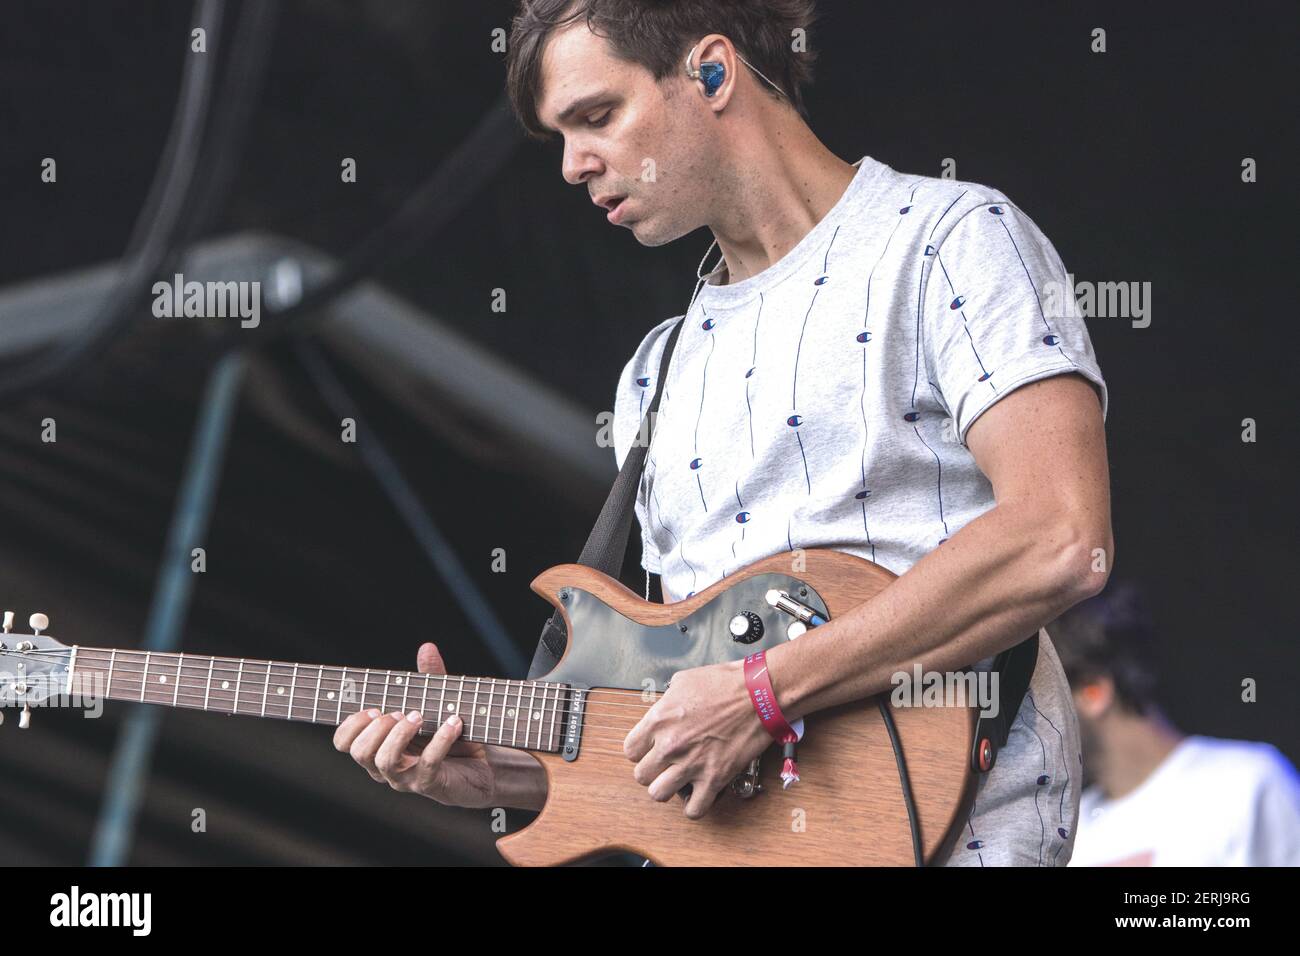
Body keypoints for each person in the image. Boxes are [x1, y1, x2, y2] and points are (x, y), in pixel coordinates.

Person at [334, 0, 1113, 866]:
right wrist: (503, 776)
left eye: (596, 117)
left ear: (711, 71)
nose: (572, 165)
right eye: (558, 136)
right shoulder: (653, 373)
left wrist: (763, 691)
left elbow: (1058, 538)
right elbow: (682, 716)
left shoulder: (947, 244)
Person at [1052, 583, 1300, 866]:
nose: (1035, 725)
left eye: (1044, 702)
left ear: (1093, 691)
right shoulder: (1067, 831)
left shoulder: (1248, 782)